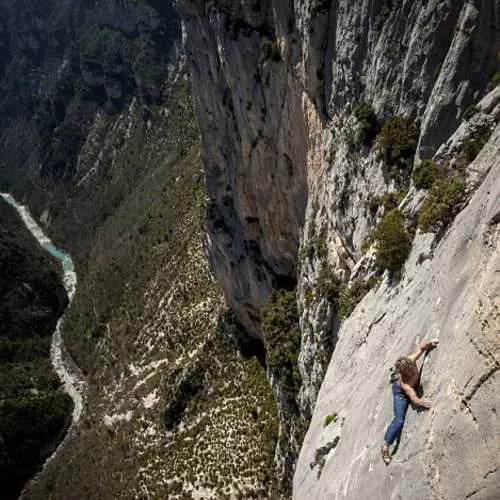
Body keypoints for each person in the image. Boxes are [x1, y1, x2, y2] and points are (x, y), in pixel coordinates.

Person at [381, 338, 439, 465]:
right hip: (400, 393)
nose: (412, 370)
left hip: (402, 381)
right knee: (399, 420)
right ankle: (385, 446)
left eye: (410, 367)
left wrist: (431, 342)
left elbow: (421, 348)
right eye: (408, 371)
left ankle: (393, 373)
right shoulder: (405, 383)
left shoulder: (411, 360)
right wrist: (422, 402)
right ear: (403, 373)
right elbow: (413, 398)